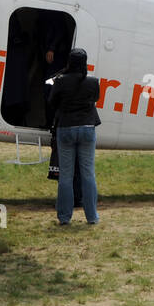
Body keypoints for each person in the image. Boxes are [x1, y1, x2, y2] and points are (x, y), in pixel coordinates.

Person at [47, 48, 101, 225]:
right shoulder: (93, 81)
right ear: (85, 62)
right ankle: (92, 217)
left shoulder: (60, 81)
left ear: (69, 61)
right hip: (87, 127)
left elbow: (52, 102)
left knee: (66, 176)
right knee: (88, 174)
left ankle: (64, 217)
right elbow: (95, 99)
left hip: (66, 127)